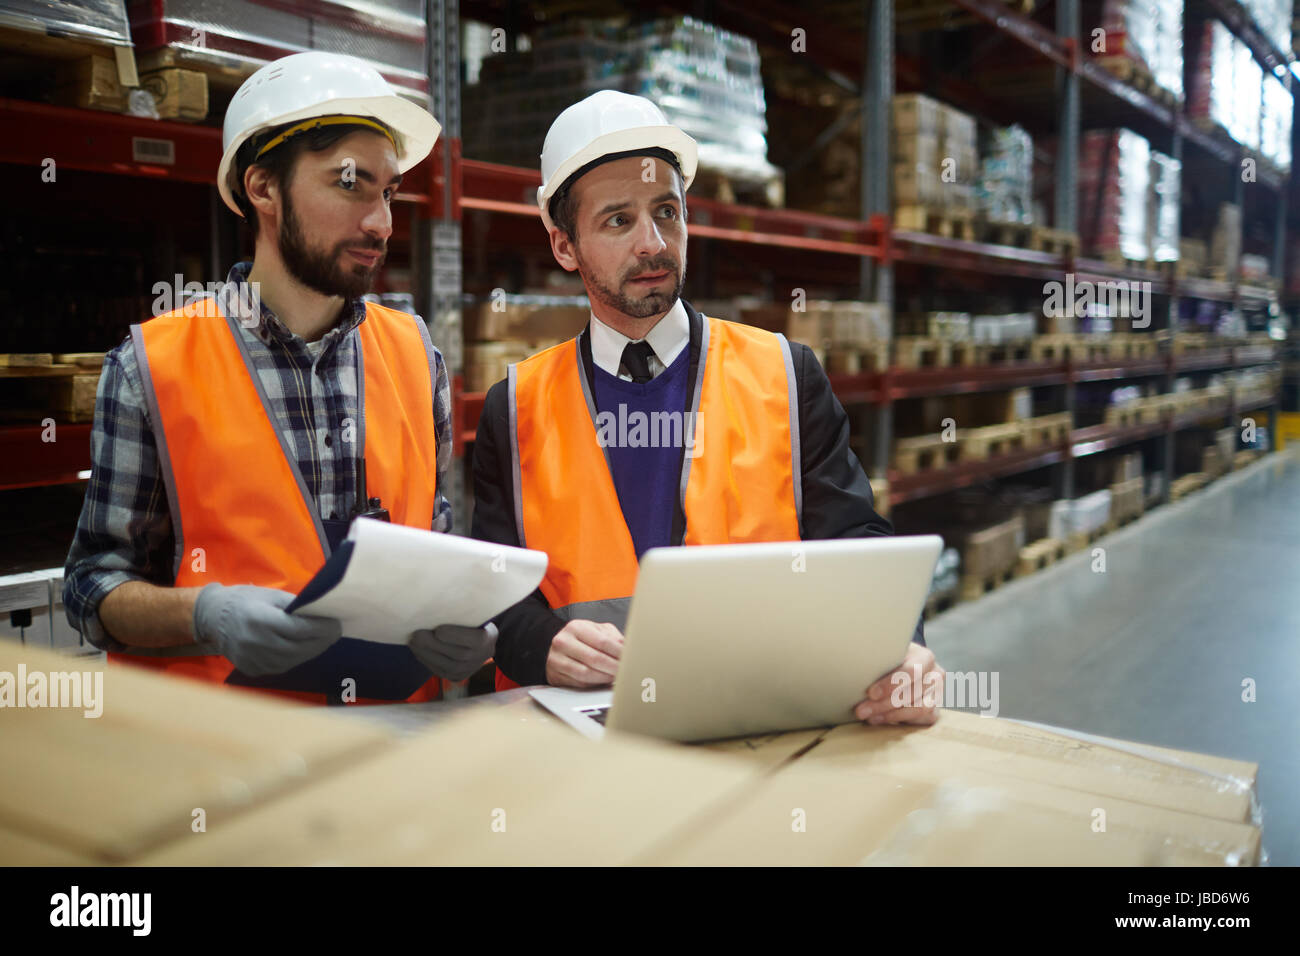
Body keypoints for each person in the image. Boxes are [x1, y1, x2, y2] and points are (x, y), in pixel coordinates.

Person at [471, 91, 943, 725]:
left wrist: (904, 647)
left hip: (763, 724)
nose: (652, 243)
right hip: (577, 743)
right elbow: (496, 590)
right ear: (563, 246)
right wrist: (541, 645)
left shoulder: (784, 375)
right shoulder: (517, 406)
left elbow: (856, 541)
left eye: (667, 212)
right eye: (618, 221)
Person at [63, 52, 494, 704]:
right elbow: (94, 586)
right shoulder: (151, 367)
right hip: (227, 759)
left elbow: (434, 545)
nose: (380, 221)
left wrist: (460, 623)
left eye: (388, 192)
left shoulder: (415, 356)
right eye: (350, 184)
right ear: (263, 189)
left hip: (393, 752)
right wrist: (205, 615)